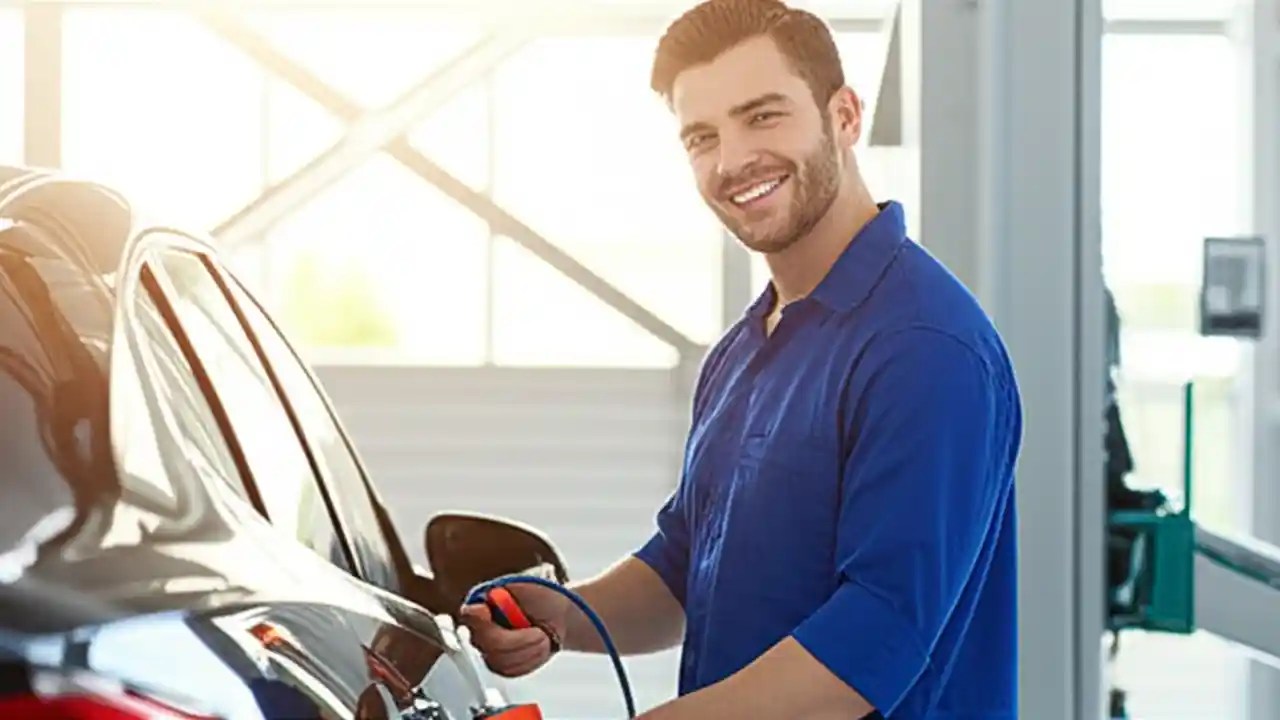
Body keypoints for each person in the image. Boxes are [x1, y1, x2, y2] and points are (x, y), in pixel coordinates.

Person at [460, 1, 1023, 717]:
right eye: (702, 136)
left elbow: (875, 638)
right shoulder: (745, 350)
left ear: (844, 116)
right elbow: (683, 570)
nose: (731, 161)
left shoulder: (924, 348)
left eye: (763, 116)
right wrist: (569, 617)